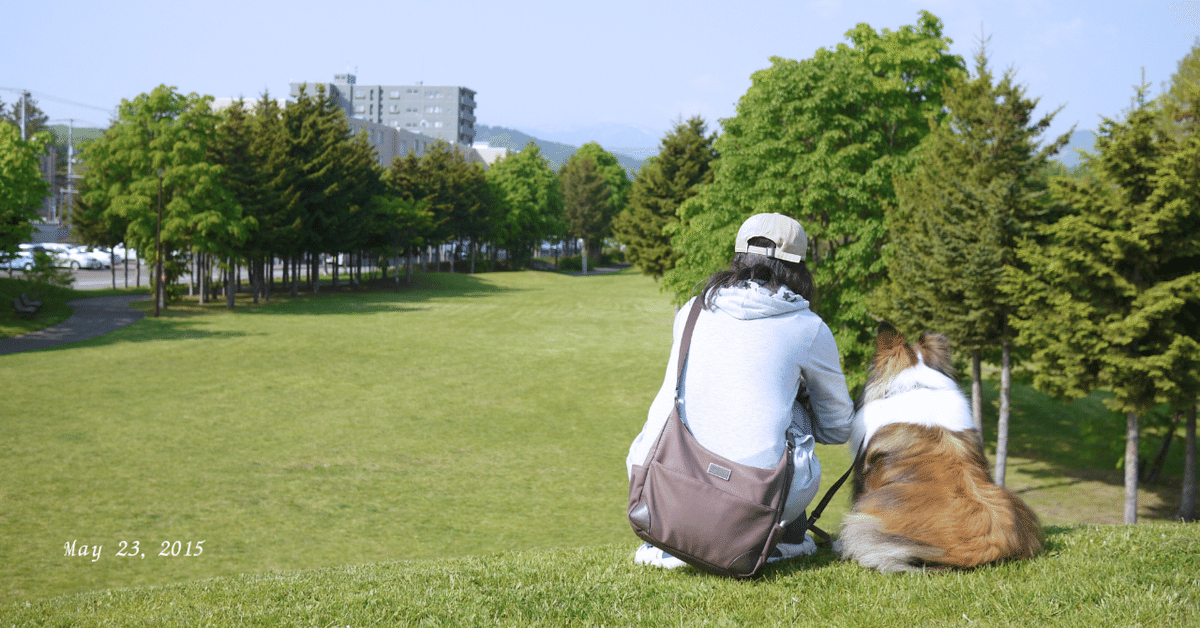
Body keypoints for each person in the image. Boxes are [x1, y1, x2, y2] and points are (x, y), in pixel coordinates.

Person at [626, 213, 855, 568]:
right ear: (798, 267)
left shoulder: (692, 310)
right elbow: (838, 428)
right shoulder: (809, 327)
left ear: (738, 258)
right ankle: (787, 539)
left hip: (661, 477)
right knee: (795, 414)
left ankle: (670, 538)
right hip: (751, 496)